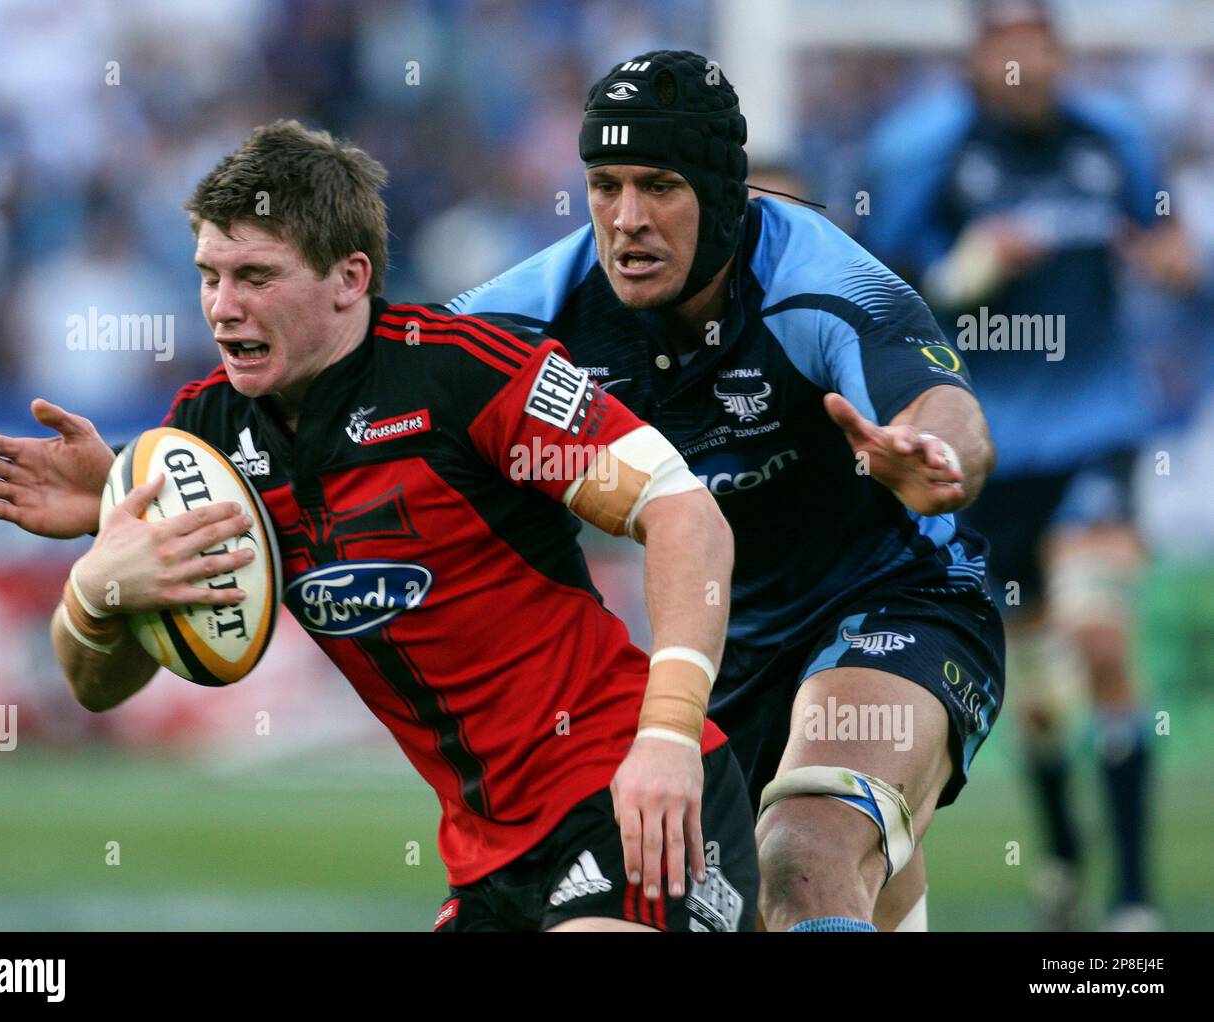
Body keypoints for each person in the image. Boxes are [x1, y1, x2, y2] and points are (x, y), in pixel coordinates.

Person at [0, 120, 760, 933]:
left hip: (628, 791)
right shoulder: (205, 440)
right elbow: (94, 685)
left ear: (349, 277)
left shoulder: (464, 370)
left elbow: (686, 516)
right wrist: (100, 588)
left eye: (256, 276)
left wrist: (668, 736)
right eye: (208, 275)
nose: (224, 308)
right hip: (484, 860)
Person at [448, 50, 1005, 932]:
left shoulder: (818, 279)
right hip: (719, 662)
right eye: (605, 184)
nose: (627, 219)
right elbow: (399, 393)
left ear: (725, 195)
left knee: (807, 852)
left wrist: (933, 455)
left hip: (896, 601)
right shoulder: (526, 314)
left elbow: (948, 412)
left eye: (660, 185)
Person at [860, 0, 1196, 930]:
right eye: (1004, 43)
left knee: (1102, 640)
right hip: (983, 445)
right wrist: (971, 267)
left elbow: (1163, 235)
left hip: (1097, 426)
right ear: (976, 58)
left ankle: (1132, 897)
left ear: (1058, 52)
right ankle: (1060, 854)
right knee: (1041, 693)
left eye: (1037, 42)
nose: (1024, 60)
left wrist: (1169, 253)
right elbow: (881, 285)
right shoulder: (924, 150)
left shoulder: (1113, 138)